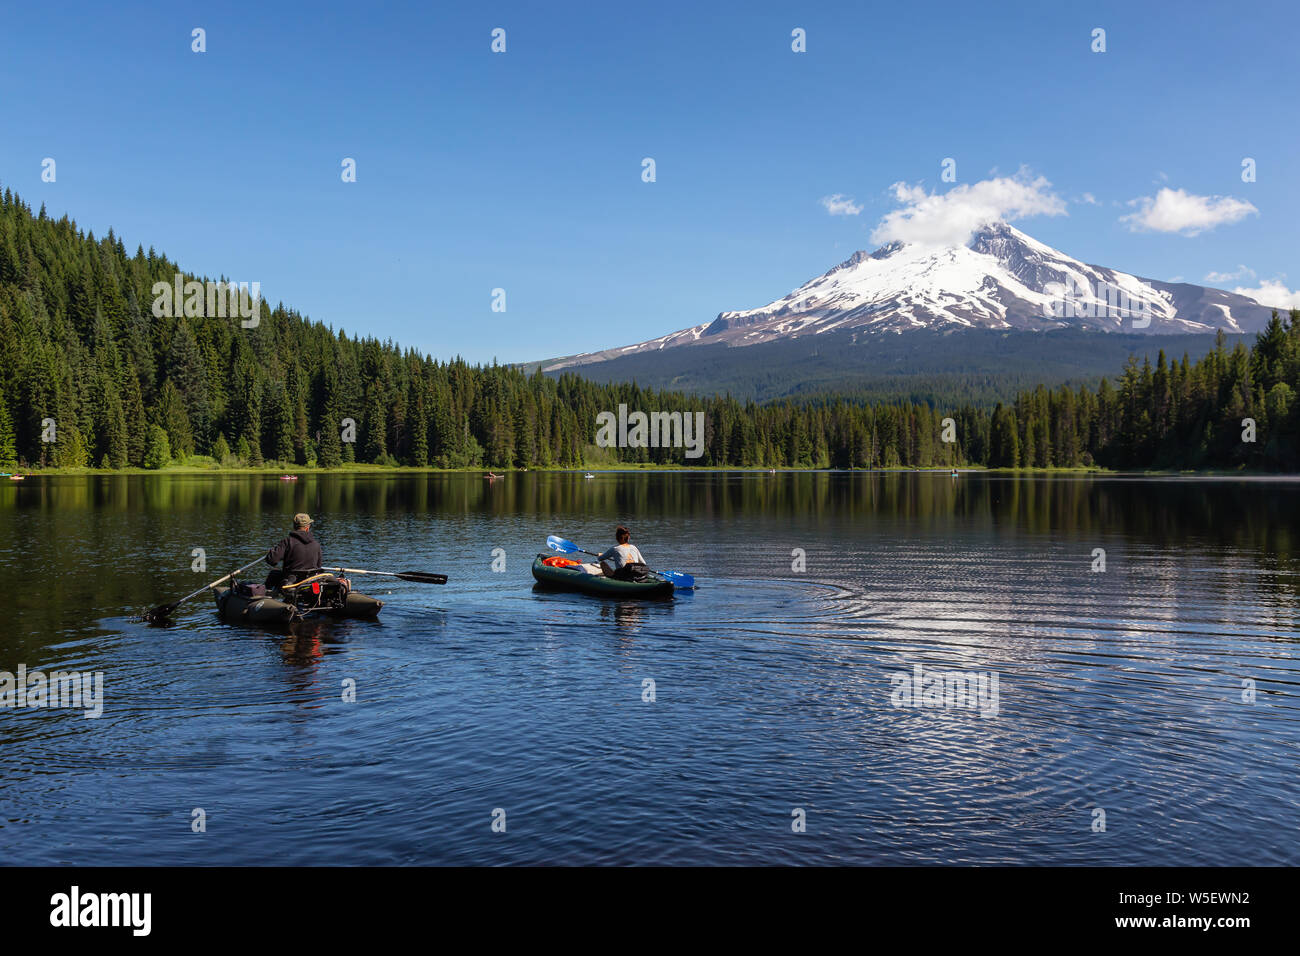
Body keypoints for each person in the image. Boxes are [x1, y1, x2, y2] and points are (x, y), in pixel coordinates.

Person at [265, 513, 324, 590]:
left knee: (273, 573)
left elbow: (272, 560)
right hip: (309, 583)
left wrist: (271, 553)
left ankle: (266, 594)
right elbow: (319, 566)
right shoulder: (316, 544)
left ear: (294, 527)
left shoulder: (287, 542)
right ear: (307, 527)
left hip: (290, 583)